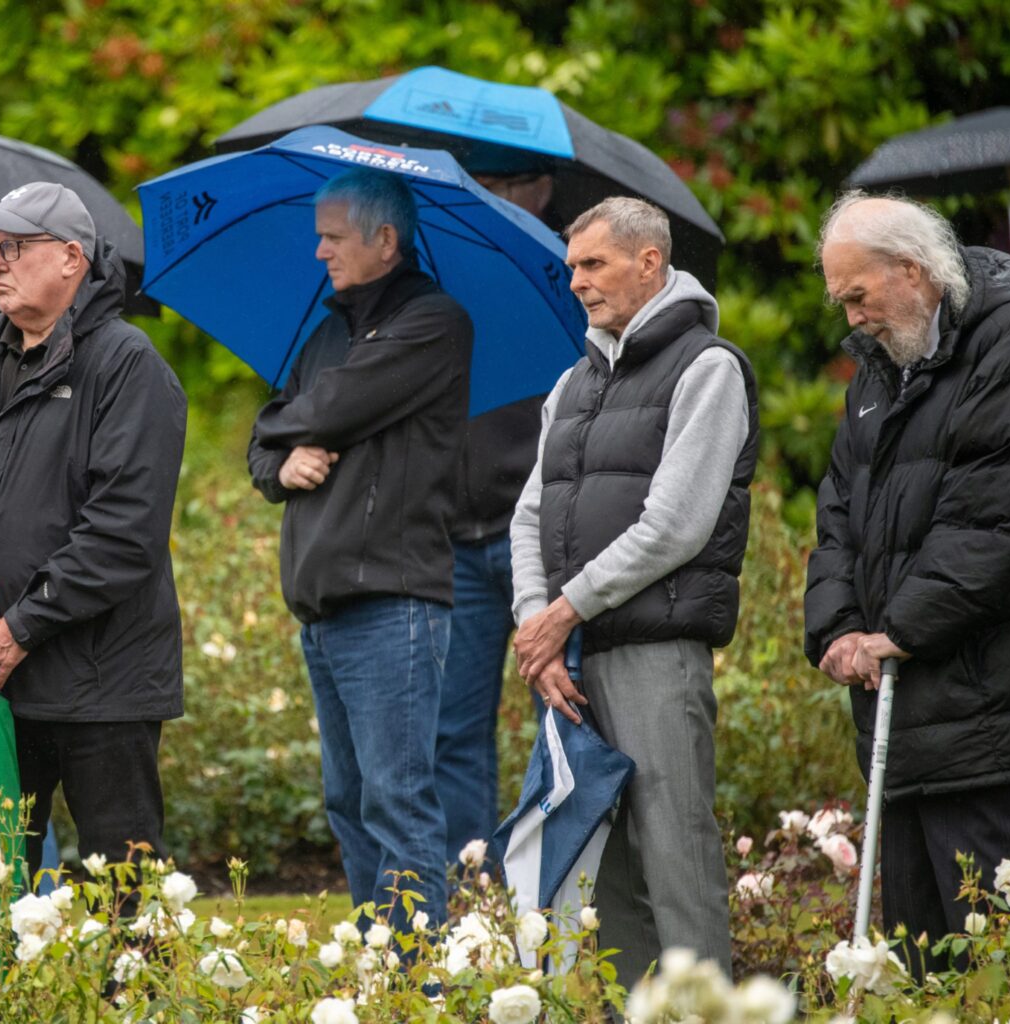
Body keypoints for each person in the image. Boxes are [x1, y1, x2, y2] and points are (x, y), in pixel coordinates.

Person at [0, 183, 186, 883]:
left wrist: (20, 627)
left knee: (124, 893)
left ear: (72, 260)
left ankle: (132, 998)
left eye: (15, 247)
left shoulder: (126, 364)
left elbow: (123, 532)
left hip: (99, 684)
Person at [508, 196, 757, 985]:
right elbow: (526, 517)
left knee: (674, 856)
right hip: (571, 657)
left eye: (593, 264)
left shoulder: (709, 368)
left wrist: (560, 613)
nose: (576, 281)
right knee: (600, 868)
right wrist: (536, 631)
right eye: (571, 265)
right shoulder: (568, 385)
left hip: (655, 650)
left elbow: (676, 525)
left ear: (650, 262)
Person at [806, 193, 1010, 967]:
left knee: (992, 959)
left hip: (983, 703)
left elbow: (993, 514)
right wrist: (838, 627)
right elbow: (838, 506)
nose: (851, 318)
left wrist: (899, 630)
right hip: (894, 701)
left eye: (857, 295)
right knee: (917, 959)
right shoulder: (882, 364)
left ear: (911, 271)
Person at [248, 169, 472, 932]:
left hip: (392, 601)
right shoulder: (327, 330)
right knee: (349, 802)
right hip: (324, 605)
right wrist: (282, 463)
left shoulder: (433, 322)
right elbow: (263, 434)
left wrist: (293, 426)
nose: (318, 252)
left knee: (396, 801)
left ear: (385, 241)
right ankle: (379, 968)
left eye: (333, 237)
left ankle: (421, 990)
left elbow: (333, 406)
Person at [435, 169, 553, 864]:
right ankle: (472, 889)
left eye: (515, 181)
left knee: (559, 716)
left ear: (544, 189)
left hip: (533, 531)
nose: (500, 193)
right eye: (487, 180)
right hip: (452, 535)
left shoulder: (560, 280)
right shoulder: (442, 282)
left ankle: (551, 883)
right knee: (453, 730)